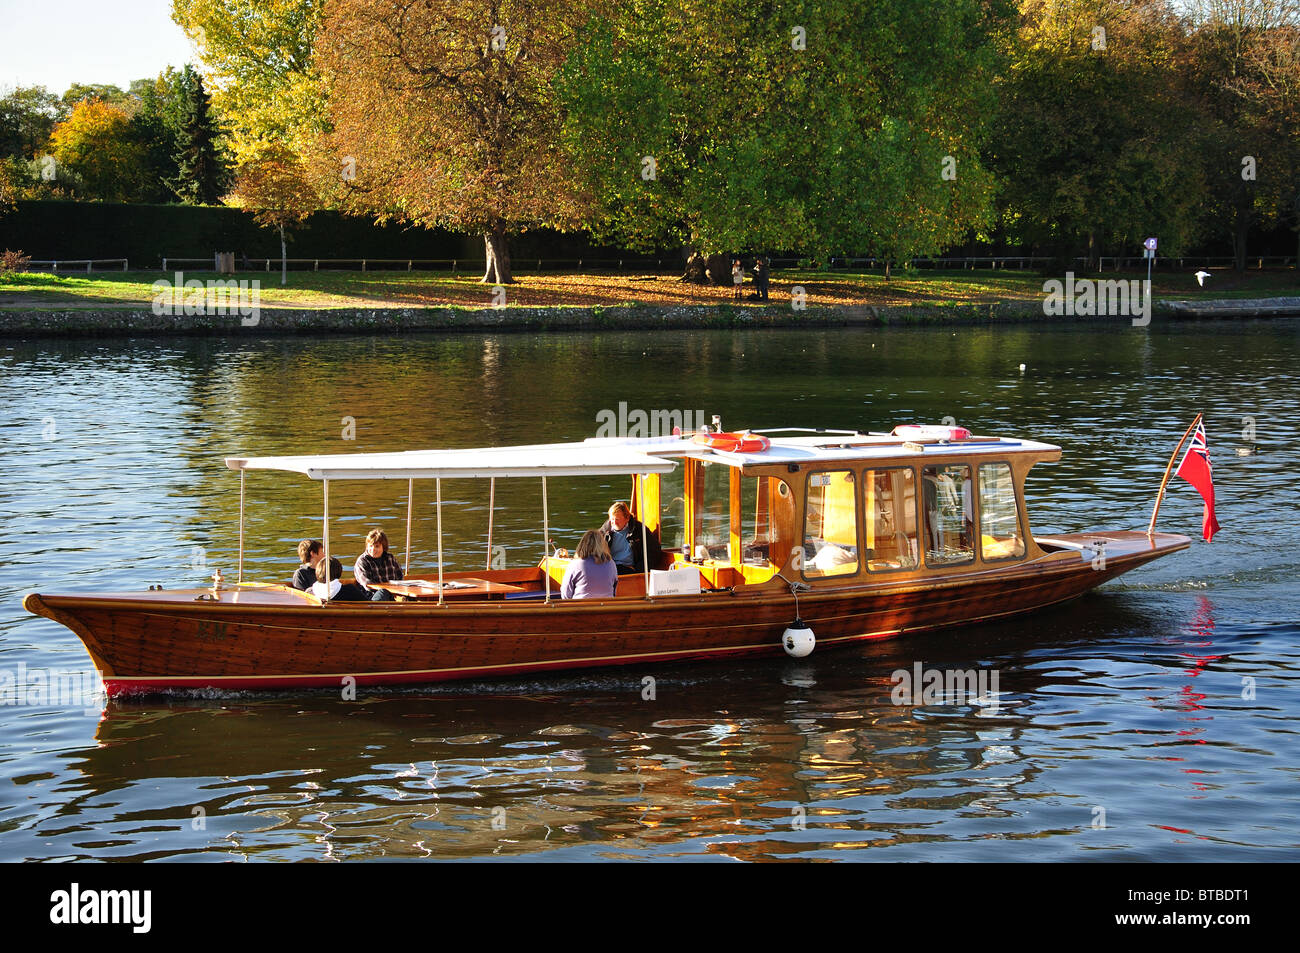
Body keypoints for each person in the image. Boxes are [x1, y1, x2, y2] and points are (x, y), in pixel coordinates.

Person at [600, 502, 665, 575]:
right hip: (609, 569)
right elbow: (592, 551)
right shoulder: (604, 531)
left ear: (627, 518)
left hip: (630, 570)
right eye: (612, 519)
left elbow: (654, 551)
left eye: (617, 519)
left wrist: (639, 569)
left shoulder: (639, 529)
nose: (614, 522)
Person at [561, 530, 618, 600]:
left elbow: (565, 593)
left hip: (581, 608)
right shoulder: (611, 564)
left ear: (582, 544)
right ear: (602, 545)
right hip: (607, 607)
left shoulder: (575, 564)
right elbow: (614, 591)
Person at [354, 528, 404, 601]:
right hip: (371, 597)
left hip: (393, 595)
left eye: (377, 546)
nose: (373, 549)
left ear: (383, 547)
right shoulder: (362, 561)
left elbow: (400, 577)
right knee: (383, 592)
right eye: (370, 546)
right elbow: (368, 585)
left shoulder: (390, 558)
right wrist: (388, 589)